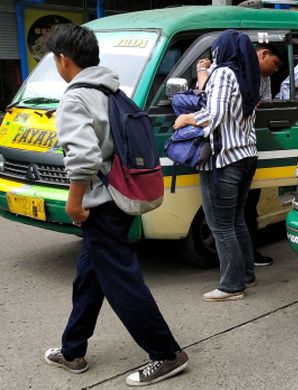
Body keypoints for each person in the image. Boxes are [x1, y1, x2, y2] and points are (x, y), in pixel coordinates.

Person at [43, 23, 188, 386]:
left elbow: (83, 160)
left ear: (63, 60)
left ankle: (167, 354)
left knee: (122, 283)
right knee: (89, 278)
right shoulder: (113, 92)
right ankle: (73, 350)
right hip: (120, 200)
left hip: (99, 206)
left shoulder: (76, 98)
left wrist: (75, 205)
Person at [174, 29, 261, 302]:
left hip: (223, 161)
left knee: (221, 226)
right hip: (246, 156)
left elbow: (213, 115)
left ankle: (232, 286)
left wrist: (186, 119)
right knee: (236, 220)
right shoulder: (248, 76)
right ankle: (246, 274)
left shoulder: (223, 73)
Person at [248, 42, 284, 267]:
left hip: (252, 148)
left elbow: (266, 107)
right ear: (264, 54)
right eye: (276, 63)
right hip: (237, 152)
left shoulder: (265, 78)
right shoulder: (236, 74)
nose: (276, 69)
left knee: (251, 202)